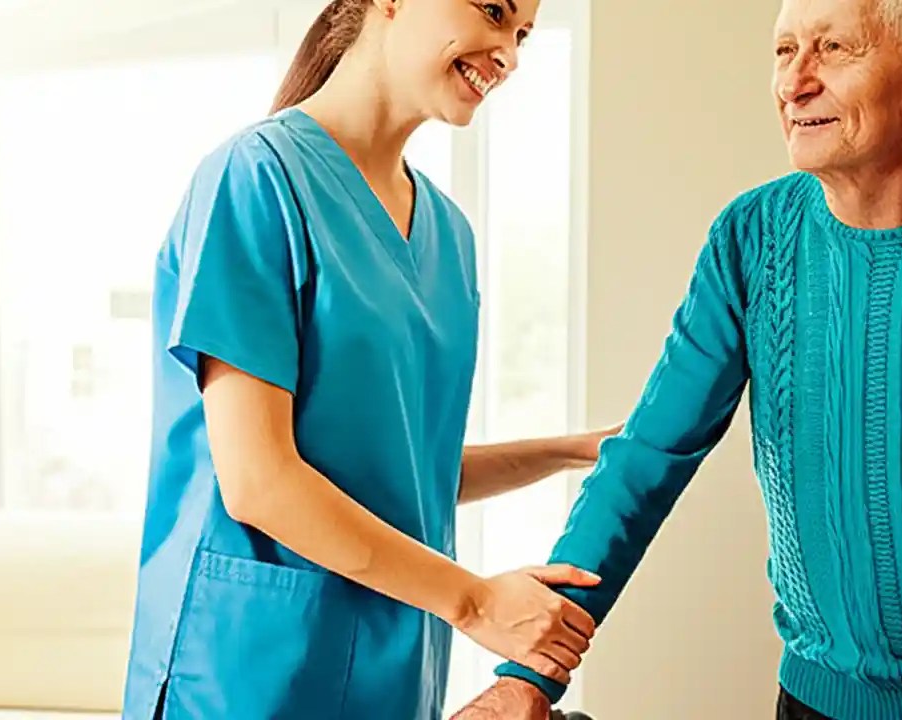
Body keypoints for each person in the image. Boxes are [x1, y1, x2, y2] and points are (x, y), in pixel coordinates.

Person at [118, 0, 625, 718]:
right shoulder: (253, 179)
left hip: (393, 666)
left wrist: (573, 450)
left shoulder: (449, 234)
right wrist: (477, 602)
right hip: (245, 673)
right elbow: (258, 481)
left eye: (522, 35)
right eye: (493, 12)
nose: (508, 53)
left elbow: (396, 473)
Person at [452, 0, 902, 718]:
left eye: (834, 48)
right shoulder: (753, 238)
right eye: (784, 52)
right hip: (812, 704)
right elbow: (645, 461)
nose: (794, 83)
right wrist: (527, 678)